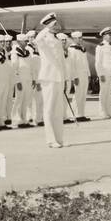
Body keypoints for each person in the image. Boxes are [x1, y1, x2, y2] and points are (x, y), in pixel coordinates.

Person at [34, 14, 68, 149]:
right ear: (48, 25)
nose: (57, 26)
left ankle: (59, 139)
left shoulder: (56, 38)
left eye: (56, 24)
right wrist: (45, 28)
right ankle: (50, 140)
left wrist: (64, 77)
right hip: (48, 77)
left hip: (58, 77)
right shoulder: (43, 38)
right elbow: (37, 39)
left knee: (58, 110)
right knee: (49, 109)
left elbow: (60, 61)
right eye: (54, 24)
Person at [67, 31, 92, 121]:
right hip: (78, 75)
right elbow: (72, 65)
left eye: (81, 38)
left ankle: (81, 114)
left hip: (84, 74)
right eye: (79, 38)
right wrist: (74, 77)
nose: (81, 39)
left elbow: (86, 63)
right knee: (78, 94)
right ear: (74, 39)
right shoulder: (71, 49)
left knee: (83, 95)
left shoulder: (82, 49)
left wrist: (89, 74)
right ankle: (76, 114)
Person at [94, 29, 111, 119]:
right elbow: (98, 62)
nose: (110, 36)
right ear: (104, 36)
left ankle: (109, 111)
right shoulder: (100, 47)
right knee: (103, 93)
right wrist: (100, 74)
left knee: (110, 93)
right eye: (109, 34)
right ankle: (102, 112)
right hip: (105, 73)